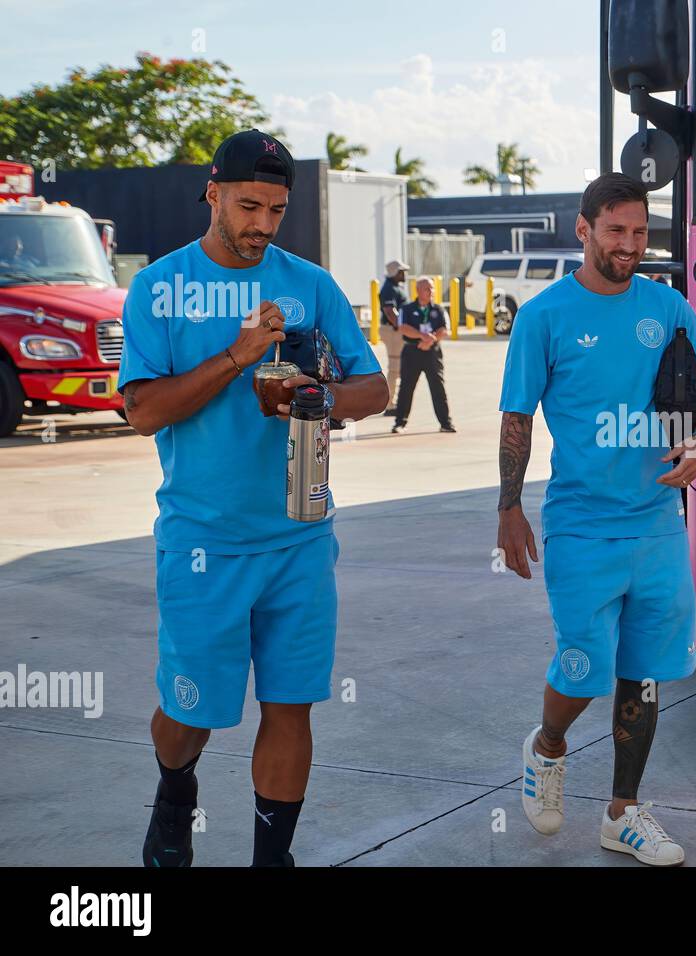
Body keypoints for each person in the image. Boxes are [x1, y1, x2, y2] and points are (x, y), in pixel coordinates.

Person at [117, 129, 389, 867]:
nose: (262, 226)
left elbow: (377, 387)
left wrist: (319, 397)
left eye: (275, 209)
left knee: (290, 702)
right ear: (212, 192)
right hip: (203, 538)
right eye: (247, 206)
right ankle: (176, 794)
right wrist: (237, 357)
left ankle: (274, 860)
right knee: (187, 714)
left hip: (300, 531)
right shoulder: (157, 288)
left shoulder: (309, 284)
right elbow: (142, 411)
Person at [496, 173, 696, 866]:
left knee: (645, 670)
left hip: (656, 520)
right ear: (585, 230)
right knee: (584, 666)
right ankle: (548, 745)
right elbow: (517, 418)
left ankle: (623, 812)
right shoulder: (545, 316)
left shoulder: (670, 307)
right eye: (617, 230)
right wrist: (508, 507)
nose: (629, 245)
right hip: (581, 525)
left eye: (640, 232)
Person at [391, 275, 455, 434]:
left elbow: (445, 329)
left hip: (432, 352)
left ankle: (446, 423)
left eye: (432, 288)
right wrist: (422, 336)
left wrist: (430, 340)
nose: (431, 291)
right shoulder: (406, 309)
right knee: (406, 387)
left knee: (438, 387)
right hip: (412, 352)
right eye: (427, 288)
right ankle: (400, 423)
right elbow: (402, 327)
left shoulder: (438, 309)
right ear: (418, 290)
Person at [378, 259, 410, 415]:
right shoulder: (389, 289)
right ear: (395, 273)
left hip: (395, 330)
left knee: (397, 368)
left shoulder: (395, 287)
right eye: (401, 271)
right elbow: (390, 312)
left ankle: (392, 402)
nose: (404, 274)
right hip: (392, 331)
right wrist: (401, 327)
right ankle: (390, 405)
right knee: (395, 368)